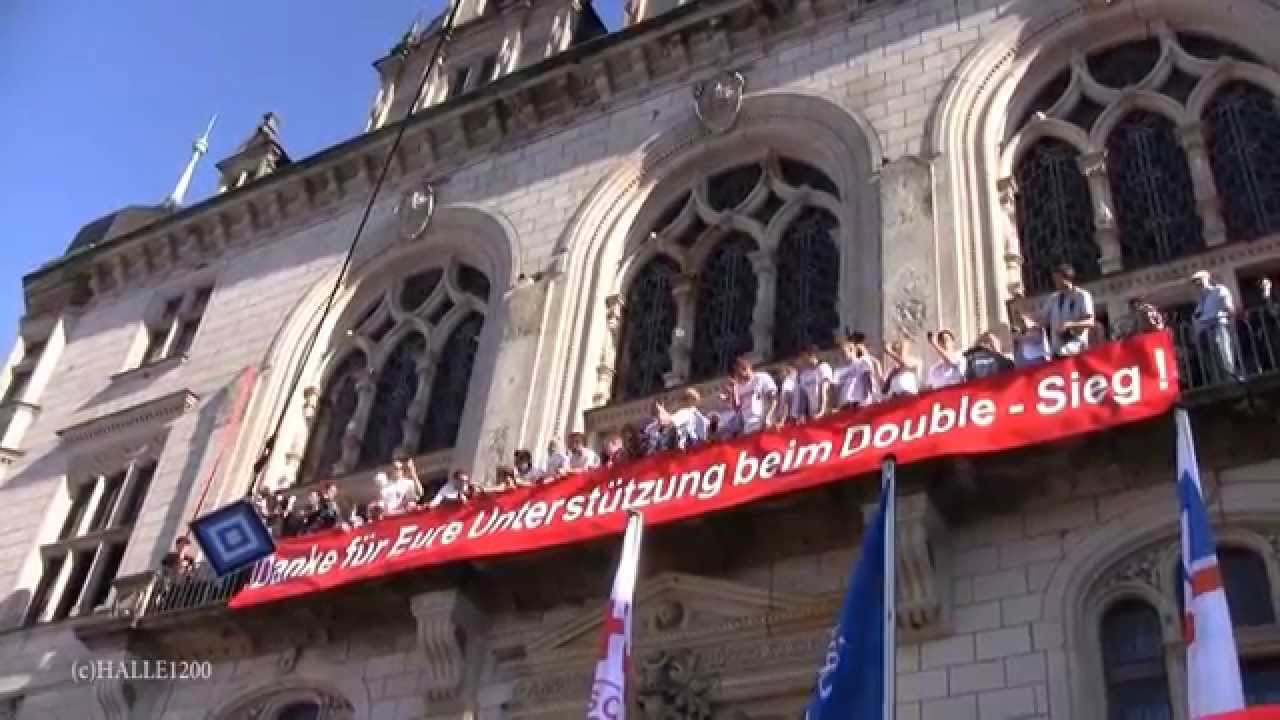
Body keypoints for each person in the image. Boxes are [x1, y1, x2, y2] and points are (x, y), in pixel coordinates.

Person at [1036, 263, 1095, 357]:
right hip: (1057, 350)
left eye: (1057, 278)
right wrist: (1029, 321)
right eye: (1054, 279)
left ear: (1067, 278)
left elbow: (1090, 321)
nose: (1055, 282)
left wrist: (1070, 325)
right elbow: (1042, 319)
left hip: (1076, 350)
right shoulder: (1053, 298)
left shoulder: (1082, 295)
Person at [1191, 270, 1239, 382]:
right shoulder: (1201, 299)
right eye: (1195, 282)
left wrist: (1226, 318)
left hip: (1218, 326)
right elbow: (1197, 316)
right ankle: (1219, 382)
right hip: (1205, 332)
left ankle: (1231, 380)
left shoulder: (1219, 289)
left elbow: (1229, 308)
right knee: (1211, 360)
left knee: (1224, 355)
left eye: (1200, 280)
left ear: (1207, 278)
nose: (1198, 284)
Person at [724, 355, 778, 435]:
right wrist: (733, 391)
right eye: (736, 375)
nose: (739, 377)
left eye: (741, 371)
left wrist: (768, 416)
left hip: (764, 419)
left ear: (747, 367)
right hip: (748, 424)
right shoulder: (737, 386)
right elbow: (737, 409)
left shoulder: (762, 377)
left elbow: (774, 399)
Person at [833, 333, 880, 411]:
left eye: (843, 352)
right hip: (844, 406)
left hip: (859, 403)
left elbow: (868, 379)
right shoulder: (838, 370)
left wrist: (871, 397)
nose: (841, 355)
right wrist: (835, 406)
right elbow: (835, 391)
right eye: (840, 353)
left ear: (851, 350)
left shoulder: (862, 362)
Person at [795, 345, 834, 420]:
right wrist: (802, 414)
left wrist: (822, 410)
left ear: (812, 355)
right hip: (813, 414)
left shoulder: (823, 367)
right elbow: (804, 396)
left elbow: (825, 390)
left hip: (825, 411)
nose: (802, 360)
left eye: (804, 357)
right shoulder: (804, 374)